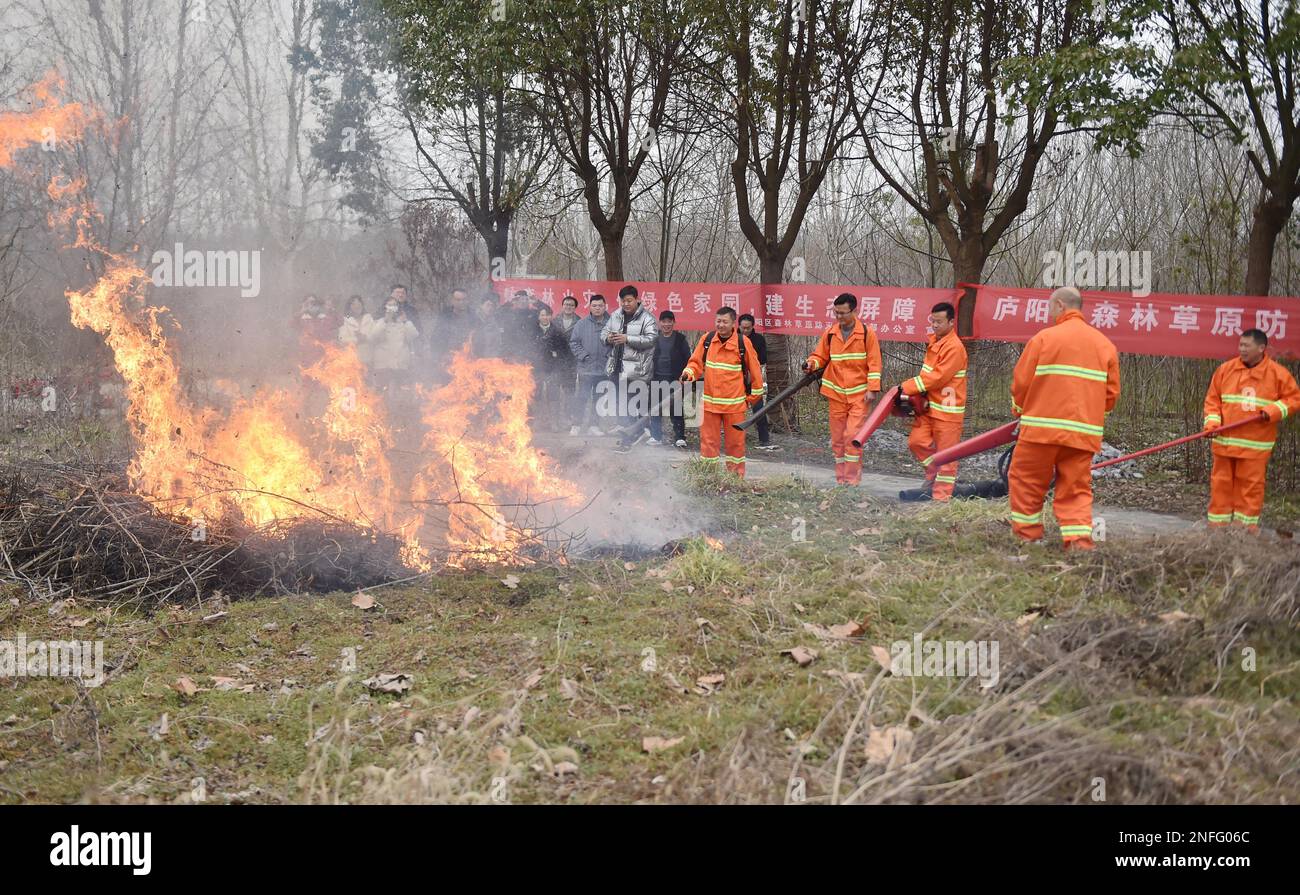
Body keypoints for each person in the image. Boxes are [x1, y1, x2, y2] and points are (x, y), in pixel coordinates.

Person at [1008, 286, 1120, 550]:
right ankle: (1079, 545)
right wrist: (1090, 419)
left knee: (1027, 482)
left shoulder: (1044, 339)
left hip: (1041, 432)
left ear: (1059, 305)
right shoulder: (1104, 344)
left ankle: (1028, 538)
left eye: (1049, 307)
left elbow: (1021, 384)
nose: (1048, 313)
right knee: (1076, 490)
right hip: (1082, 436)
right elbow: (1111, 395)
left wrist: (1019, 410)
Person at [1202, 328, 1300, 532]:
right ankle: (1217, 532)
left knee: (1250, 490)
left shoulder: (1277, 374)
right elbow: (1213, 401)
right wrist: (1212, 424)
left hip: (1254, 446)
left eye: (1247, 345)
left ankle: (1243, 535)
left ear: (1261, 348)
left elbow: (1294, 399)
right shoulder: (1225, 370)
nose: (1242, 349)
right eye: (1240, 345)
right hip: (1224, 444)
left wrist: (1272, 411)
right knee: (1220, 488)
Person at [802, 293, 882, 485]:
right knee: (838, 439)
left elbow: (874, 363)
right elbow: (819, 356)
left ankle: (852, 481)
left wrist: (872, 389)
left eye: (843, 313)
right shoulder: (830, 333)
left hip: (859, 395)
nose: (839, 317)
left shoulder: (866, 333)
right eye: (836, 313)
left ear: (854, 311)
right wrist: (810, 364)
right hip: (836, 394)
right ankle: (841, 480)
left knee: (852, 437)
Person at [680, 307, 764, 476]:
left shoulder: (743, 343)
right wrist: (688, 373)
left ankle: (734, 478)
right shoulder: (707, 339)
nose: (720, 325)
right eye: (718, 321)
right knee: (708, 444)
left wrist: (752, 398)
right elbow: (695, 363)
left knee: (736, 445)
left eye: (725, 322)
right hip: (710, 404)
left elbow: (755, 373)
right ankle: (708, 477)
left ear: (734, 323)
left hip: (734, 406)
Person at [900, 301, 968, 499]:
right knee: (916, 442)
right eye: (933, 321)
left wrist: (908, 386)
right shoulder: (935, 342)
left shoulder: (954, 347)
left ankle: (941, 499)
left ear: (951, 322)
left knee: (947, 457)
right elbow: (928, 375)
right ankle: (932, 474)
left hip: (948, 411)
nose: (935, 325)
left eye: (939, 322)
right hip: (929, 408)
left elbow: (938, 377)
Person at [604, 284, 660, 451]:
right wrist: (609, 338)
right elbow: (603, 334)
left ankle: (637, 435)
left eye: (629, 300)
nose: (626, 304)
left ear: (637, 299)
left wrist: (627, 338)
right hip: (616, 368)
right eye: (623, 301)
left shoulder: (647, 318)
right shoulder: (615, 316)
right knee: (622, 404)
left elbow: (651, 339)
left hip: (637, 371)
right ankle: (631, 435)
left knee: (633, 404)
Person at [568, 294, 612, 435]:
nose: (597, 308)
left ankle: (594, 425)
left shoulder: (612, 324)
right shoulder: (581, 324)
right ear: (590, 307)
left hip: (604, 369)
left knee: (599, 399)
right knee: (582, 397)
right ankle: (576, 425)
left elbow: (617, 345)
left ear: (605, 307)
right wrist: (584, 356)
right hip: (586, 369)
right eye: (594, 305)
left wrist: (609, 357)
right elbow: (574, 342)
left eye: (600, 305)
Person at [649, 310, 691, 447]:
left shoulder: (680, 339)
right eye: (664, 321)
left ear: (673, 322)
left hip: (675, 379)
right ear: (659, 323)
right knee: (655, 408)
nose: (666, 324)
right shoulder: (654, 338)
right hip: (657, 378)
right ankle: (656, 436)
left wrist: (685, 376)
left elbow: (688, 359)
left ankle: (680, 437)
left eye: (669, 321)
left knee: (676, 408)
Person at [737, 314, 780, 451]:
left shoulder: (759, 339)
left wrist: (752, 372)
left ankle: (764, 438)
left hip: (754, 379)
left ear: (753, 326)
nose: (745, 331)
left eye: (748, 328)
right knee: (735, 411)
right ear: (738, 326)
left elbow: (762, 359)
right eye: (743, 328)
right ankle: (736, 439)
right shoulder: (733, 339)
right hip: (735, 380)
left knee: (759, 409)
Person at [367, 295, 421, 394]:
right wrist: (385, 320)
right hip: (383, 365)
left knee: (398, 394)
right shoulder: (379, 322)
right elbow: (373, 337)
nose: (392, 308)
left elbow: (413, 335)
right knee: (382, 395)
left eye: (395, 305)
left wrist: (405, 321)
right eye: (389, 305)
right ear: (385, 307)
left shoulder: (403, 323)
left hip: (400, 365)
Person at [534, 305, 574, 432]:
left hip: (553, 368)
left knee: (554, 395)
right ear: (538, 317)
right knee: (536, 395)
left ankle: (554, 422)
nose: (545, 317)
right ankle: (537, 421)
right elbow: (527, 348)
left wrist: (557, 357)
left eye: (547, 315)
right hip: (536, 368)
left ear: (551, 316)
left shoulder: (557, 332)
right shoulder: (532, 330)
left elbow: (565, 351)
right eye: (542, 315)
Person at [337, 295, 374, 366]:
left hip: (369, 358)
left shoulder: (369, 319)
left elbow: (375, 335)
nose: (356, 306)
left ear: (362, 305)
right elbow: (342, 339)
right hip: (352, 360)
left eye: (358, 303)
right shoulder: (345, 321)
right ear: (349, 307)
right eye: (353, 304)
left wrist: (365, 337)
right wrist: (357, 339)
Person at [471, 294, 505, 358]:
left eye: (492, 306)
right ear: (481, 305)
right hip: (475, 359)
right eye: (488, 305)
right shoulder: (473, 320)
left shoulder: (496, 322)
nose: (490, 308)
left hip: (491, 359)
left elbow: (497, 343)